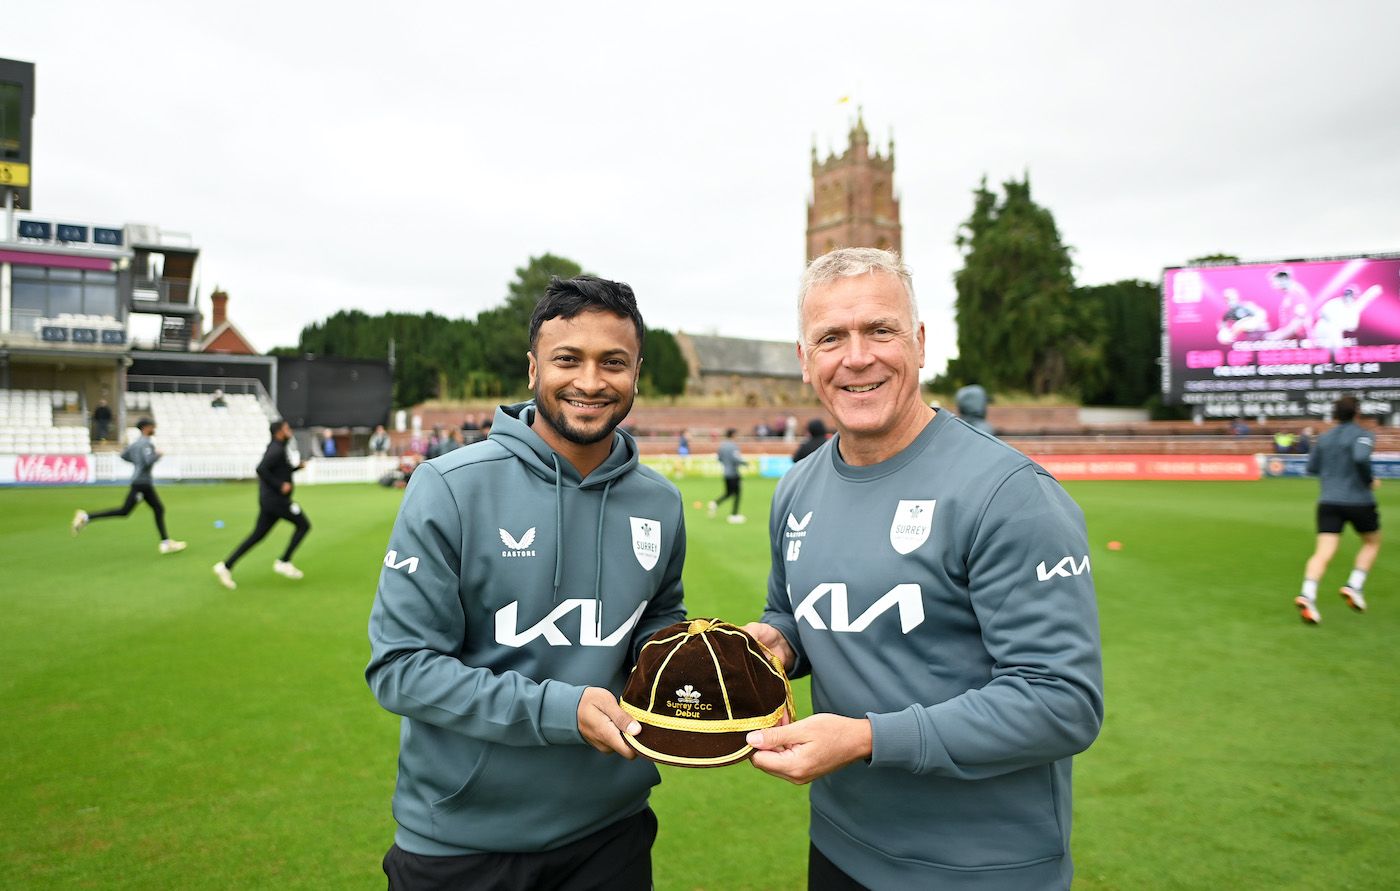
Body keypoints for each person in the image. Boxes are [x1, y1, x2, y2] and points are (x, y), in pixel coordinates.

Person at [742, 248, 1103, 890]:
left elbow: (1061, 702)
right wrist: (778, 645)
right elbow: (792, 614)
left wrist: (867, 739)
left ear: (921, 342)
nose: (857, 357)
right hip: (839, 843)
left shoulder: (1009, 493)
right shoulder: (797, 487)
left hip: (980, 869)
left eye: (880, 330)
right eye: (831, 338)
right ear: (804, 359)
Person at [365, 274, 687, 890]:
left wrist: (688, 662)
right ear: (534, 368)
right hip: (465, 842)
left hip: (613, 831)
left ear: (637, 373)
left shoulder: (660, 501)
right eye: (568, 359)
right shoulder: (450, 487)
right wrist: (561, 710)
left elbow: (657, 617)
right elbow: (401, 669)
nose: (590, 381)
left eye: (613, 362)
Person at [1295, 396, 1379, 624]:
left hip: (1328, 501)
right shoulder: (1363, 434)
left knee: (1323, 552)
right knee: (1372, 542)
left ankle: (1308, 593)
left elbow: (1312, 468)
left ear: (1335, 414)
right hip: (1359, 501)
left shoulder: (1324, 438)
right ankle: (1355, 585)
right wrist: (1369, 480)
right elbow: (1361, 457)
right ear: (1357, 412)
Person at [213, 420, 311, 590]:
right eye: (287, 428)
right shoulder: (276, 449)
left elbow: (280, 470)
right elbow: (261, 469)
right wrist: (280, 485)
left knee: (257, 535)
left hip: (270, 502)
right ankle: (284, 561)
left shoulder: (278, 447)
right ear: (279, 431)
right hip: (277, 502)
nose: (290, 431)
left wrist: (296, 468)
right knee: (304, 525)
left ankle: (226, 566)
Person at [71, 417, 187, 555]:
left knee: (157, 509)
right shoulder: (146, 443)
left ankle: (165, 542)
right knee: (126, 510)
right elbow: (148, 461)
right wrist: (158, 454)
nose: (154, 429)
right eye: (152, 426)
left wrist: (137, 462)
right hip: (142, 483)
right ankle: (86, 517)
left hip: (141, 482)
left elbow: (124, 455)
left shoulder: (135, 443)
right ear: (146, 428)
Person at [708, 428, 746, 523]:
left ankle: (715, 503)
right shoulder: (733, 446)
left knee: (729, 493)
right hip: (734, 473)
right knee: (737, 493)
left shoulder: (722, 446)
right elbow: (736, 458)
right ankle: (734, 515)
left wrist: (726, 463)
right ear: (733, 435)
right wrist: (744, 463)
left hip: (726, 473)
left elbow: (719, 458)